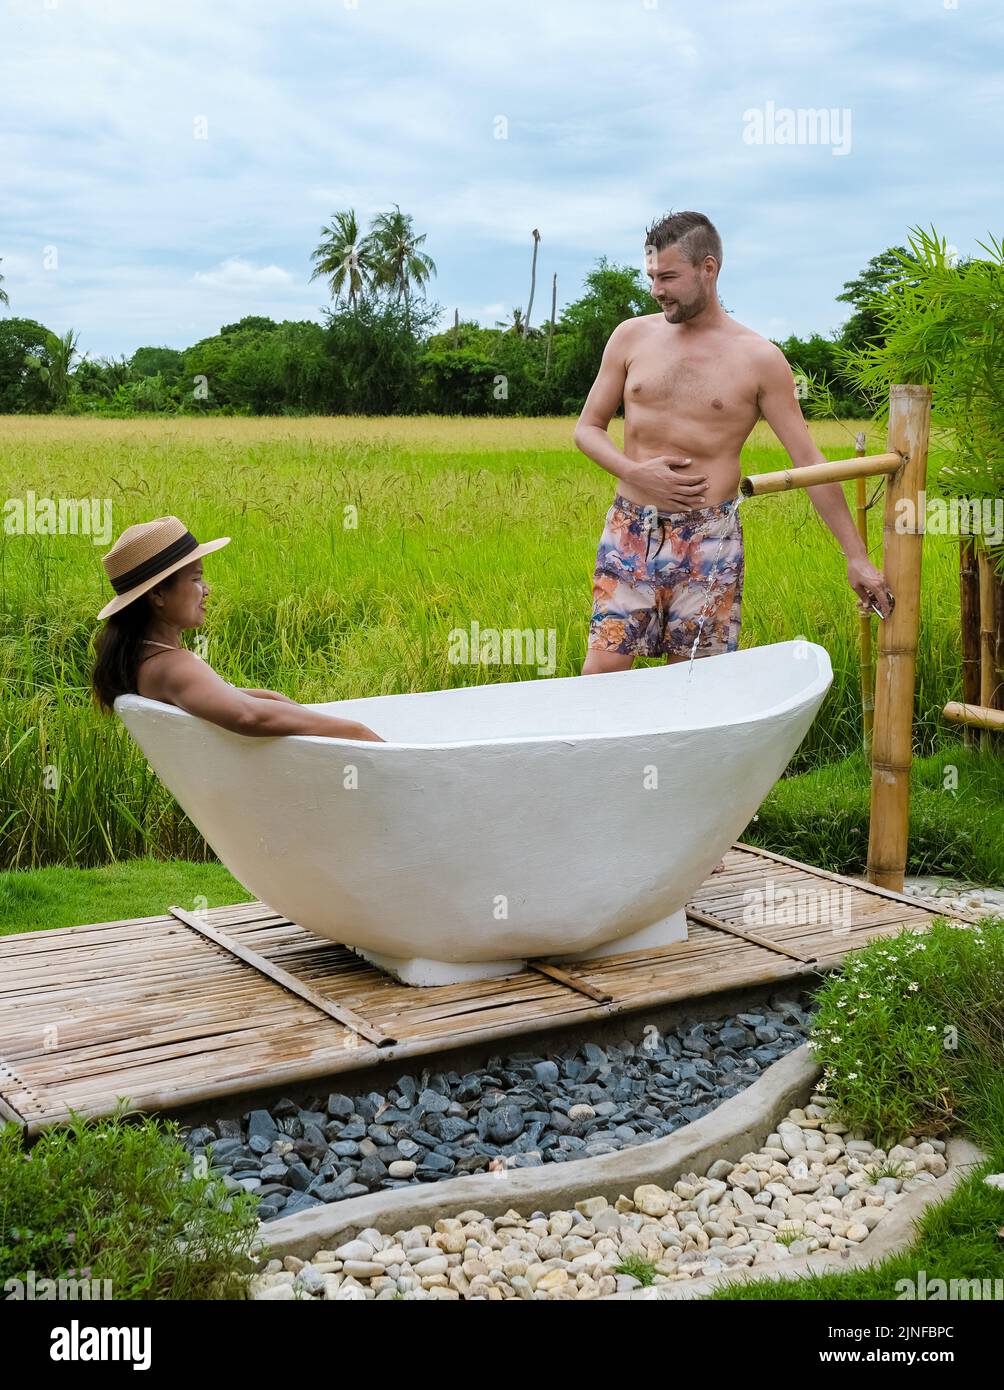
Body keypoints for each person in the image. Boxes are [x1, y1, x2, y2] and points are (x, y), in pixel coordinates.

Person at [575, 209, 894, 674]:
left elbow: (807, 460)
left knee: (693, 686)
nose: (656, 289)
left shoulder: (758, 359)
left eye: (668, 276)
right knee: (600, 676)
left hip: (710, 540)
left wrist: (857, 557)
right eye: (651, 276)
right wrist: (634, 471)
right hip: (632, 530)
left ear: (709, 268)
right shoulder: (630, 337)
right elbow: (587, 428)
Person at [91, 515, 383, 741]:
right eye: (195, 579)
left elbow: (246, 702)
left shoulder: (148, 660)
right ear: (157, 595)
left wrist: (277, 700)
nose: (206, 590)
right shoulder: (173, 666)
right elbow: (248, 716)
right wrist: (355, 732)